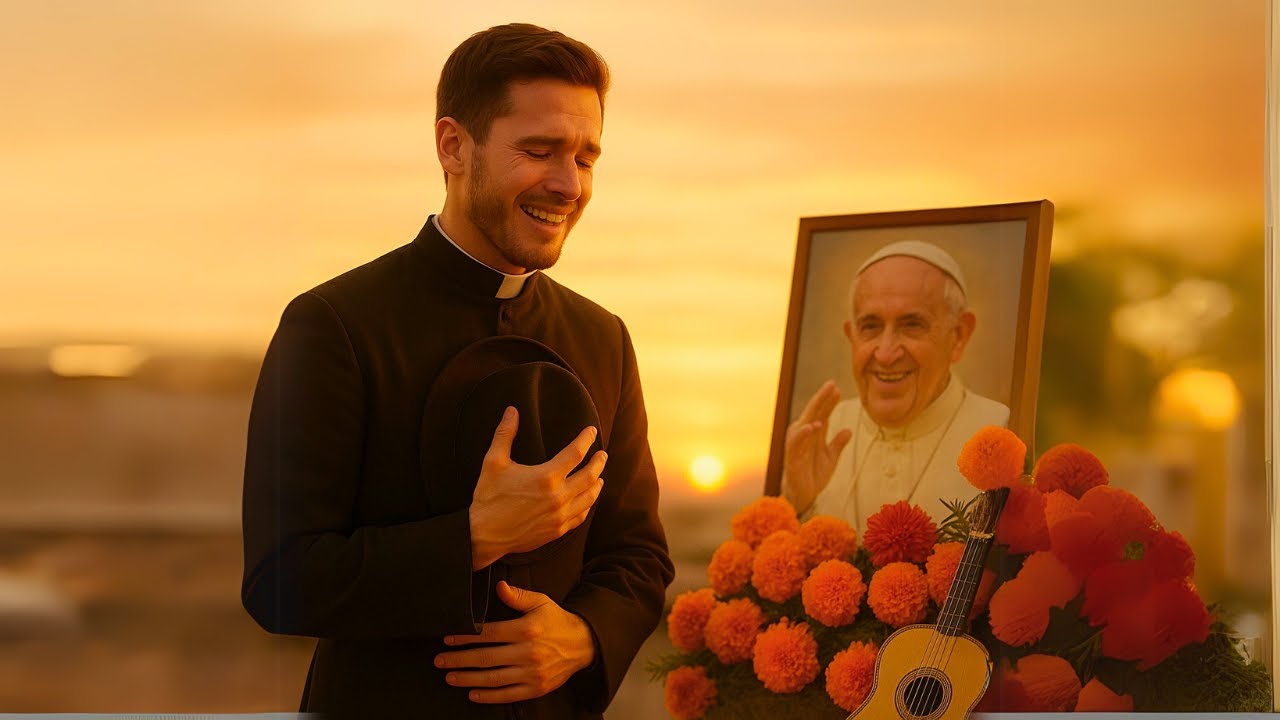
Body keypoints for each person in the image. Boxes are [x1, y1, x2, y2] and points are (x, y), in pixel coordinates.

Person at [240, 23, 673, 719]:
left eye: (587, 158)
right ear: (453, 146)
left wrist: (585, 637)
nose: (568, 184)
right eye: (539, 151)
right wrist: (476, 536)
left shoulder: (605, 337)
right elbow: (280, 580)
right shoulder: (333, 324)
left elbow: (639, 559)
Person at [782, 240, 1010, 533]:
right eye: (871, 326)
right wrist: (796, 505)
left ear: (959, 336)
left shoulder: (1003, 430)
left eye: (912, 325)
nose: (886, 353)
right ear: (852, 336)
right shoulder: (816, 437)